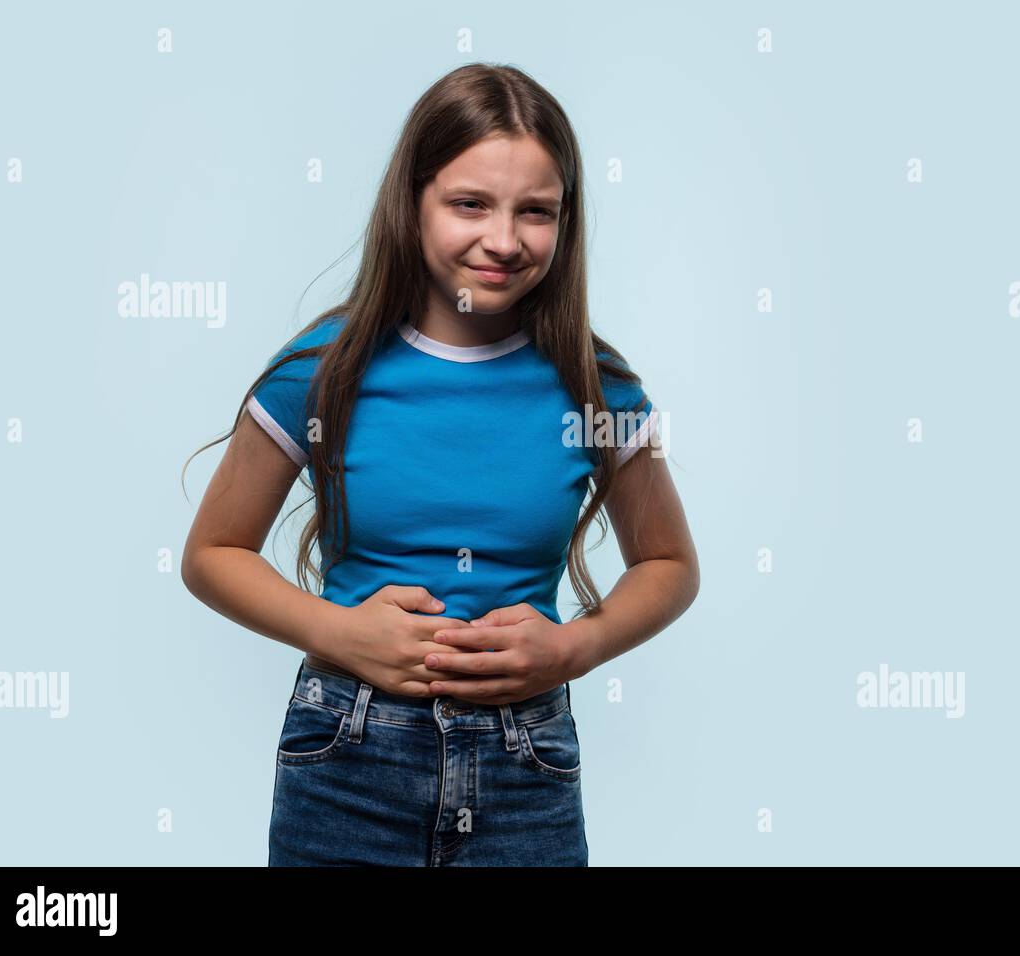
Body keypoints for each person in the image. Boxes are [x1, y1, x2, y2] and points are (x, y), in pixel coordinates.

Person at [180, 62, 699, 866]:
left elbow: (669, 565)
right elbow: (212, 554)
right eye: (469, 204)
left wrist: (573, 649)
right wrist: (342, 635)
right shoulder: (324, 369)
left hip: (527, 765)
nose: (503, 239)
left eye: (536, 212)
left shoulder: (600, 388)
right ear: (412, 202)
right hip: (344, 756)